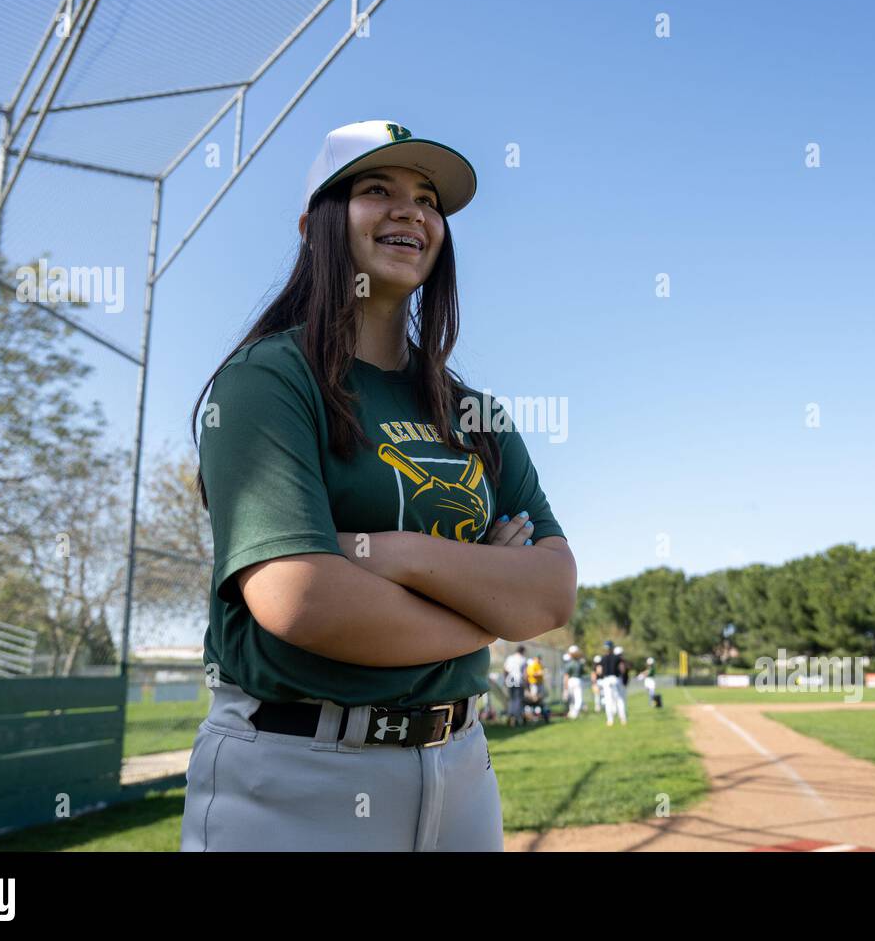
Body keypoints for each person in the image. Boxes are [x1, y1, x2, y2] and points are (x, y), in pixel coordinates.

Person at [181, 120, 578, 852]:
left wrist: (389, 554)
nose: (411, 211)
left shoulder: (472, 411)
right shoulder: (267, 381)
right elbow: (304, 600)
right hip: (298, 771)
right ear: (315, 226)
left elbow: (550, 593)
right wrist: (488, 595)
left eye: (427, 199)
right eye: (376, 190)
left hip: (461, 766)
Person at [596, 641, 628, 726]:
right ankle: (623, 719)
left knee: (608, 701)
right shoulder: (618, 658)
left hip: (606, 680)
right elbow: (622, 669)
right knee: (619, 700)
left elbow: (599, 671)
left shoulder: (602, 658)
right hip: (616, 679)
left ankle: (610, 720)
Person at [504, 644, 528, 727]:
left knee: (512, 700)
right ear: (523, 651)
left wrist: (505, 680)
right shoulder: (523, 659)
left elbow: (506, 670)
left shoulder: (510, 658)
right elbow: (525, 674)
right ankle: (514, 718)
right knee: (518, 700)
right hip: (519, 681)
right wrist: (526, 685)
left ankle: (510, 716)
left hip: (510, 681)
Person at [562, 645, 586, 719]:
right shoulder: (579, 663)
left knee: (572, 699)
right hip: (577, 680)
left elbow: (566, 676)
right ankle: (574, 713)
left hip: (570, 681)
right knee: (578, 699)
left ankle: (572, 713)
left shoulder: (569, 663)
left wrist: (565, 687)